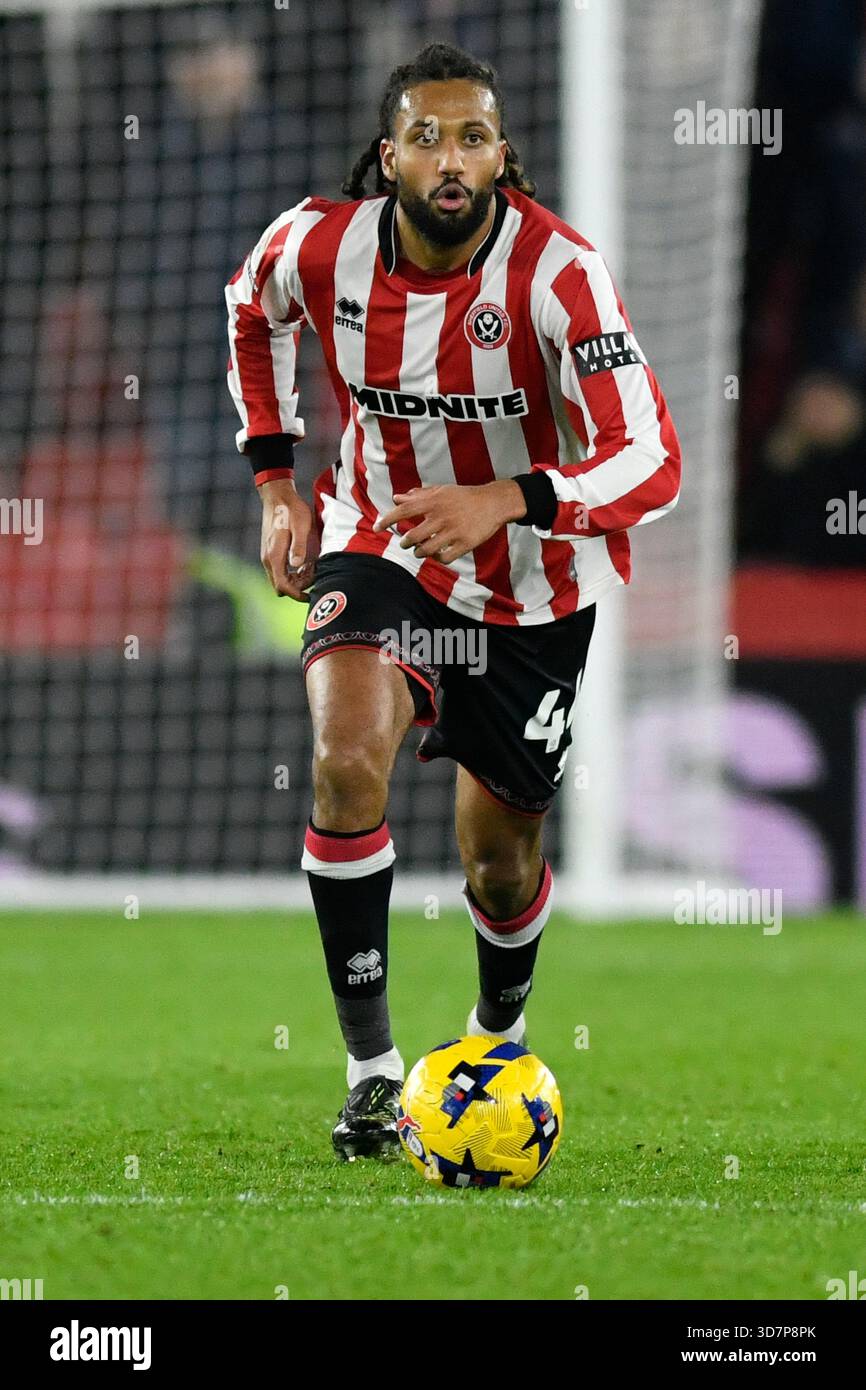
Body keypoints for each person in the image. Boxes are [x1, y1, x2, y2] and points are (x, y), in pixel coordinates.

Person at [225, 42, 681, 1160]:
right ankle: (372, 1071)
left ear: (501, 157)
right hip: (380, 538)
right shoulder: (316, 243)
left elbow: (653, 462)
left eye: (471, 136)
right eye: (425, 135)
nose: (449, 156)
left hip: (530, 586)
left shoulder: (559, 275)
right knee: (343, 760)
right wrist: (277, 483)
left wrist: (511, 498)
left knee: (499, 857)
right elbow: (250, 309)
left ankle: (494, 1038)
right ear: (387, 158)